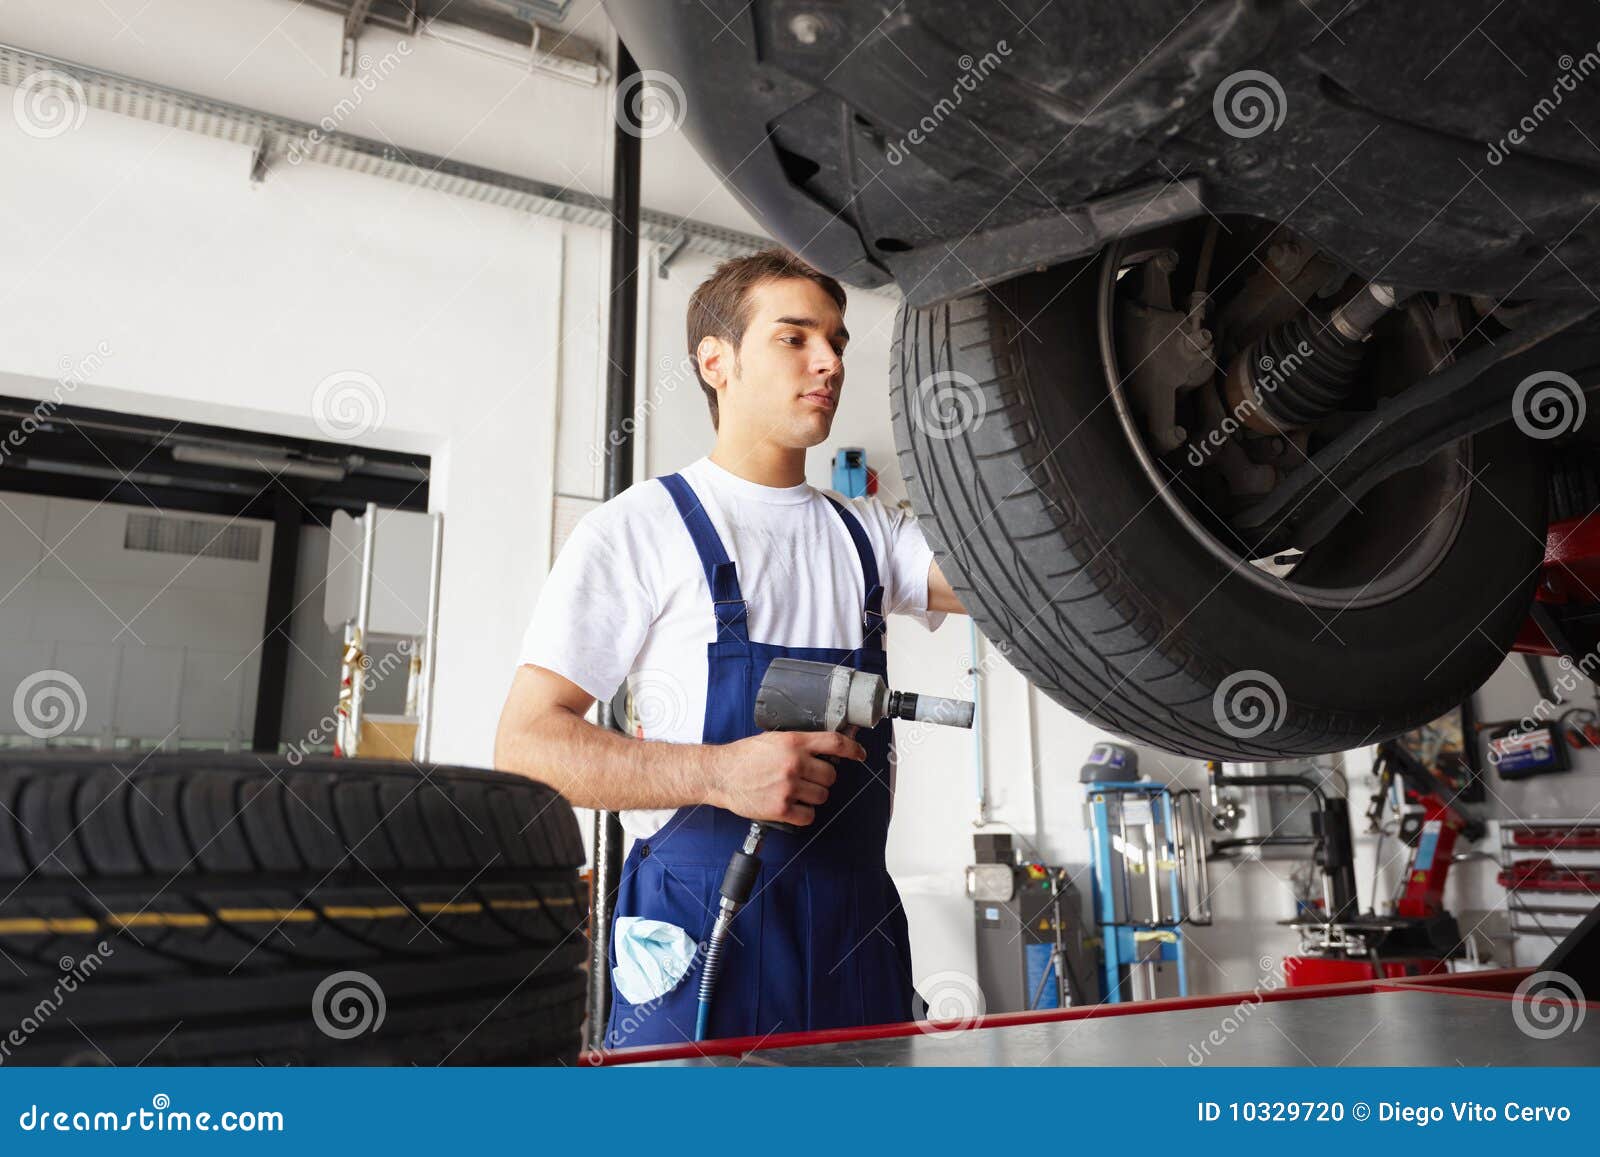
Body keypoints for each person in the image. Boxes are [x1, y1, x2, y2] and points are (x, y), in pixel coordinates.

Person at [495, 247, 966, 1048]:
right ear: (717, 361)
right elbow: (527, 747)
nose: (829, 362)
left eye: (837, 341)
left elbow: (1018, 581)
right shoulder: (637, 529)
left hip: (854, 937)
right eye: (794, 337)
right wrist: (716, 773)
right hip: (700, 938)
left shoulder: (870, 536)